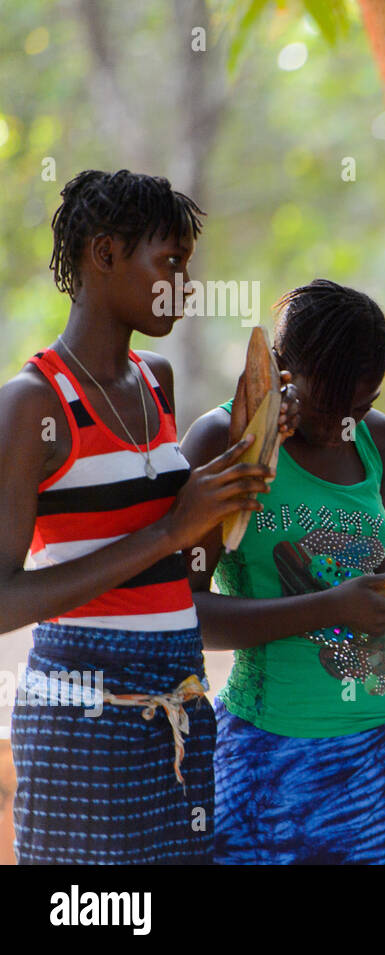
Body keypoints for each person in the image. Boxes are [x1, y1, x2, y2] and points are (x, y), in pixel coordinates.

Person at [0, 169, 283, 863]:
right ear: (104, 255)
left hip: (179, 712)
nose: (185, 285)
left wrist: (244, 470)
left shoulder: (156, 380)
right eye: (171, 263)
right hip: (83, 724)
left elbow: (175, 558)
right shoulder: (33, 404)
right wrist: (169, 529)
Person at [183, 279, 385, 864]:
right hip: (267, 754)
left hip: (379, 747)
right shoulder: (228, 439)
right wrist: (331, 606)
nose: (345, 423)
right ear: (280, 369)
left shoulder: (380, 442)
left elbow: (382, 611)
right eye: (331, 406)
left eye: (363, 404)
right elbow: (187, 616)